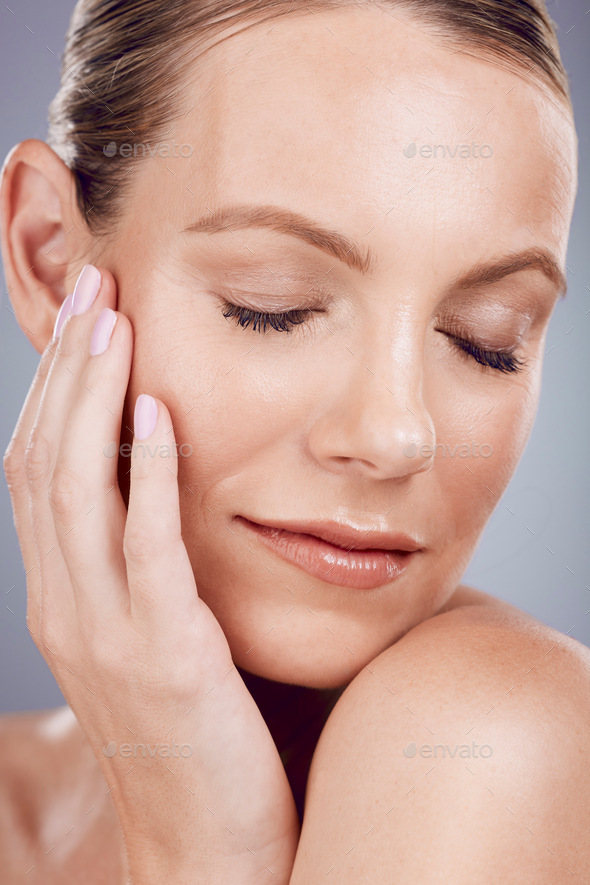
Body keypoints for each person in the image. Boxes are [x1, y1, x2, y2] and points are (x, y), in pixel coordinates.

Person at [1, 0, 589, 881]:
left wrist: (202, 855)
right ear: (51, 257)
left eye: (485, 337)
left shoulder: (490, 735)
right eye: (272, 305)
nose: (397, 435)